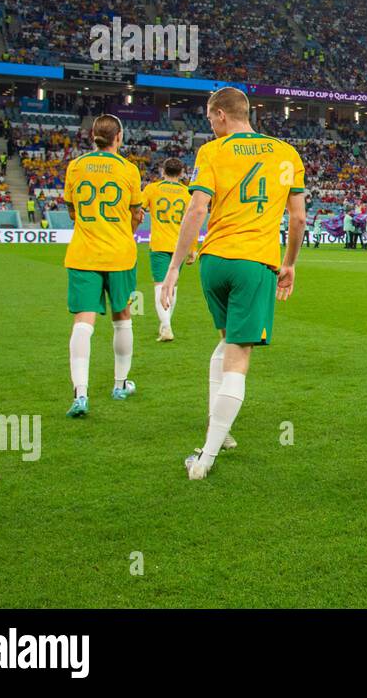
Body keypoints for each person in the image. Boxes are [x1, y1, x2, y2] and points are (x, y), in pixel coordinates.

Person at [161, 87, 307, 480]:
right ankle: (205, 457)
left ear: (222, 115)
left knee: (225, 345)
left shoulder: (212, 152)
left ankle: (219, 432)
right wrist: (289, 263)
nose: (210, 125)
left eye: (210, 119)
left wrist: (174, 267)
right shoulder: (286, 154)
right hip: (255, 263)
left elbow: (196, 209)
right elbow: (298, 220)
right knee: (239, 357)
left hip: (214, 262)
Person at [62, 114, 145, 418]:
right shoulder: (129, 170)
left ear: (92, 135)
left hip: (84, 254)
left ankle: (80, 393)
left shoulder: (76, 166)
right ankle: (120, 384)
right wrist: (126, 229)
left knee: (83, 323)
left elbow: (72, 211)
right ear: (118, 138)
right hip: (120, 254)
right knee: (122, 317)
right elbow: (136, 214)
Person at [142, 157, 198, 342]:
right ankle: (165, 324)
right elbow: (193, 223)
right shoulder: (187, 194)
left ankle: (166, 326)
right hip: (179, 246)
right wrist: (192, 248)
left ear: (162, 171)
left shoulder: (152, 189)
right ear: (182, 173)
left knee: (160, 284)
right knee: (172, 285)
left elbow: (138, 210)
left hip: (159, 244)